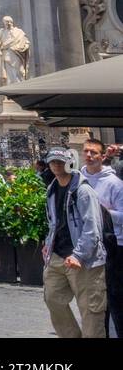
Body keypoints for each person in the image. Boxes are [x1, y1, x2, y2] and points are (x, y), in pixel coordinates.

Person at [43, 146, 107, 338]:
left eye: (60, 161)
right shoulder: (52, 189)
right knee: (52, 298)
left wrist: (78, 254)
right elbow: (54, 222)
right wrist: (48, 243)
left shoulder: (83, 190)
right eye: (52, 161)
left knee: (90, 310)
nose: (56, 165)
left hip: (85, 259)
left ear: (70, 163)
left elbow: (92, 228)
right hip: (58, 255)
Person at [80, 138, 123, 337]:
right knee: (94, 297)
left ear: (102, 156)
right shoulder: (78, 181)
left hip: (115, 245)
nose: (89, 156)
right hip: (89, 246)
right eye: (86, 151)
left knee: (115, 295)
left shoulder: (115, 183)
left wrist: (103, 212)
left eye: (94, 152)